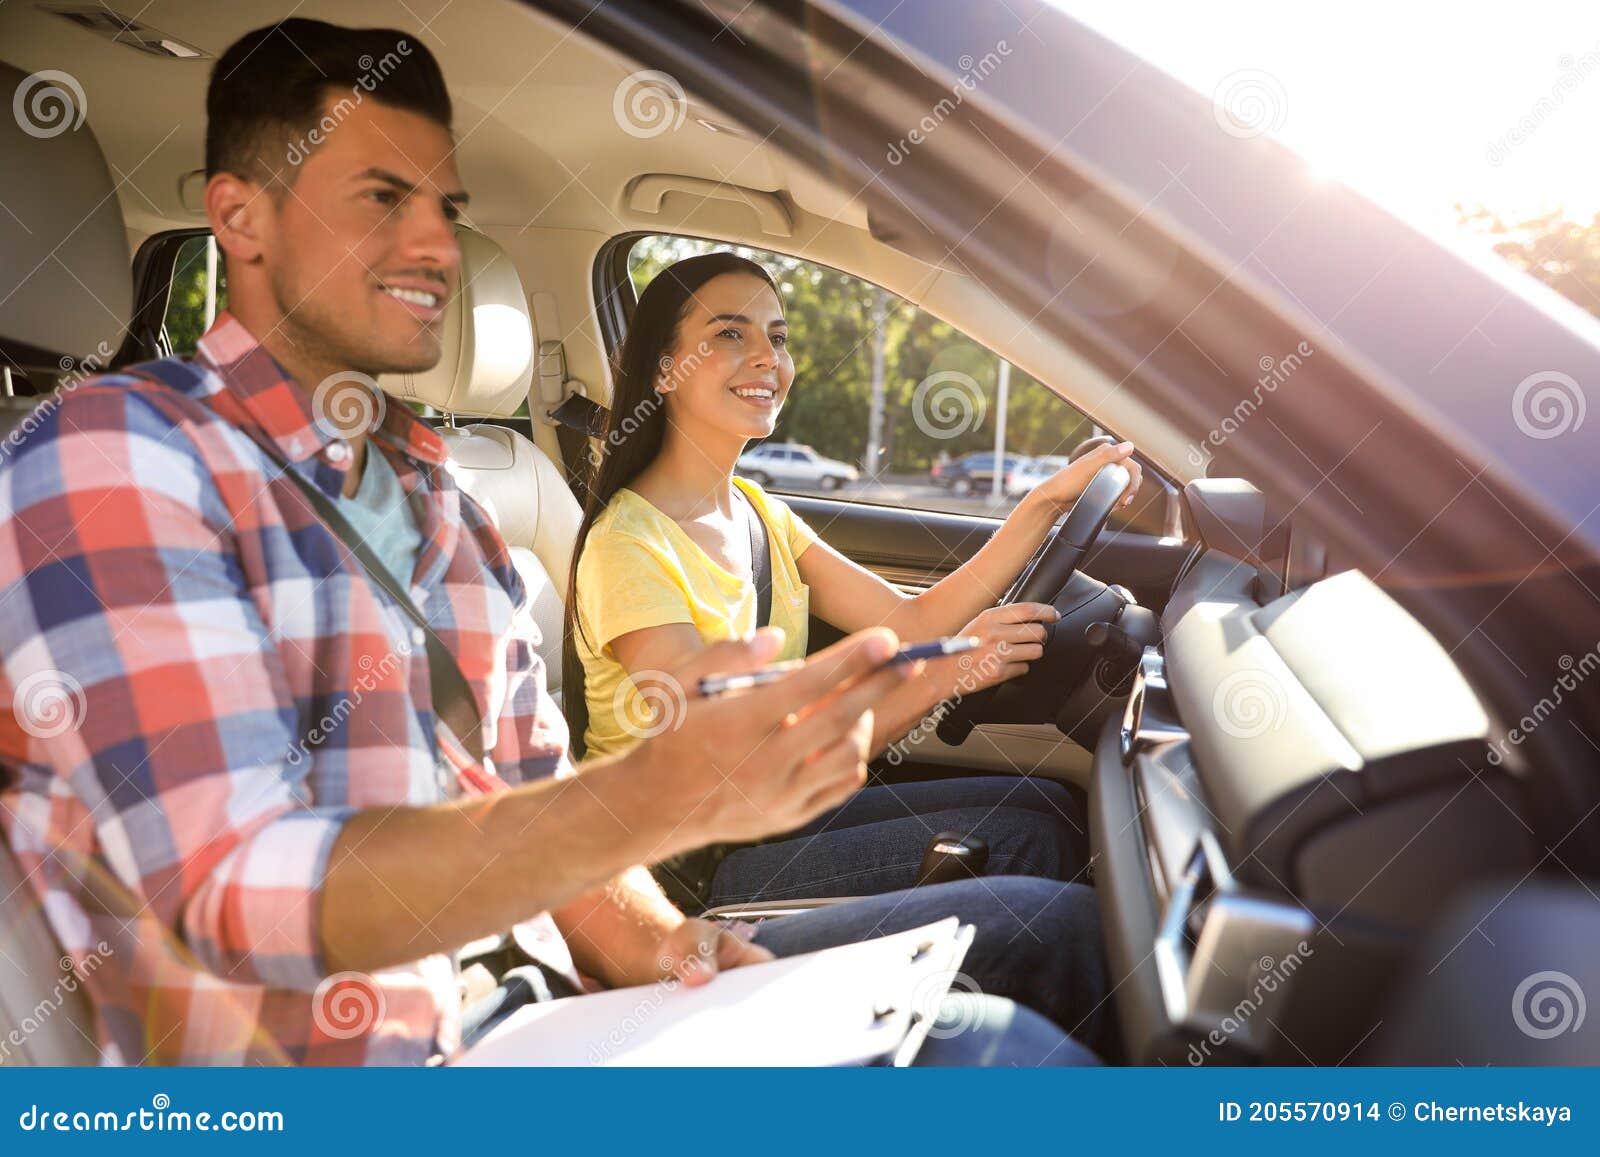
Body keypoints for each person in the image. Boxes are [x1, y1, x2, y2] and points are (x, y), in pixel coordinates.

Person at [0, 18, 1107, 1066]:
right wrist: (658, 798)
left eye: (448, 204)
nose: (437, 243)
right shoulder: (114, 458)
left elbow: (543, 803)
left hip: (535, 1023)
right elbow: (239, 891)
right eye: (383, 198)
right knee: (1003, 1050)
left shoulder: (441, 503)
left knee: (1010, 1000)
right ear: (240, 218)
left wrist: (677, 949)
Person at [567, 253, 1142, 908]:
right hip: (680, 867)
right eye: (731, 333)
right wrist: (953, 673)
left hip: (770, 815)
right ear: (666, 368)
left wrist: (1045, 504)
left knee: (1054, 807)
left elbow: (912, 625)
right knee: (1032, 854)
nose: (767, 357)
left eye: (777, 337)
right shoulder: (627, 546)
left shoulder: (761, 514)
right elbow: (723, 754)